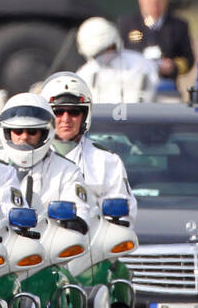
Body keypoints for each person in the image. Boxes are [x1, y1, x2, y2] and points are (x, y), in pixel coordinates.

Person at [38, 72, 137, 224]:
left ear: (85, 115)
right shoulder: (30, 159)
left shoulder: (106, 161)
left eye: (74, 112)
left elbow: (124, 216)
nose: (66, 119)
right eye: (58, 111)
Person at [0, 92, 90, 222]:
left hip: (49, 239)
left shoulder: (68, 171)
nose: (24, 137)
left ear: (45, 133)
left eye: (32, 131)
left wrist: (74, 222)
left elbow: (80, 212)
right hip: (0, 239)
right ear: (7, 132)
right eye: (18, 131)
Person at [118, 0, 194, 92]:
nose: (154, 7)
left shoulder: (178, 26)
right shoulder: (127, 24)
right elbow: (117, 55)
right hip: (134, 88)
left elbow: (188, 59)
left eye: (159, 1)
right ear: (141, 1)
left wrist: (173, 66)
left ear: (165, 0)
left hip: (165, 88)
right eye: (149, 2)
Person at [75, 16, 158, 103]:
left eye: (108, 48)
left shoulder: (141, 64)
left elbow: (152, 93)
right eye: (98, 54)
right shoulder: (84, 74)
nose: (105, 55)